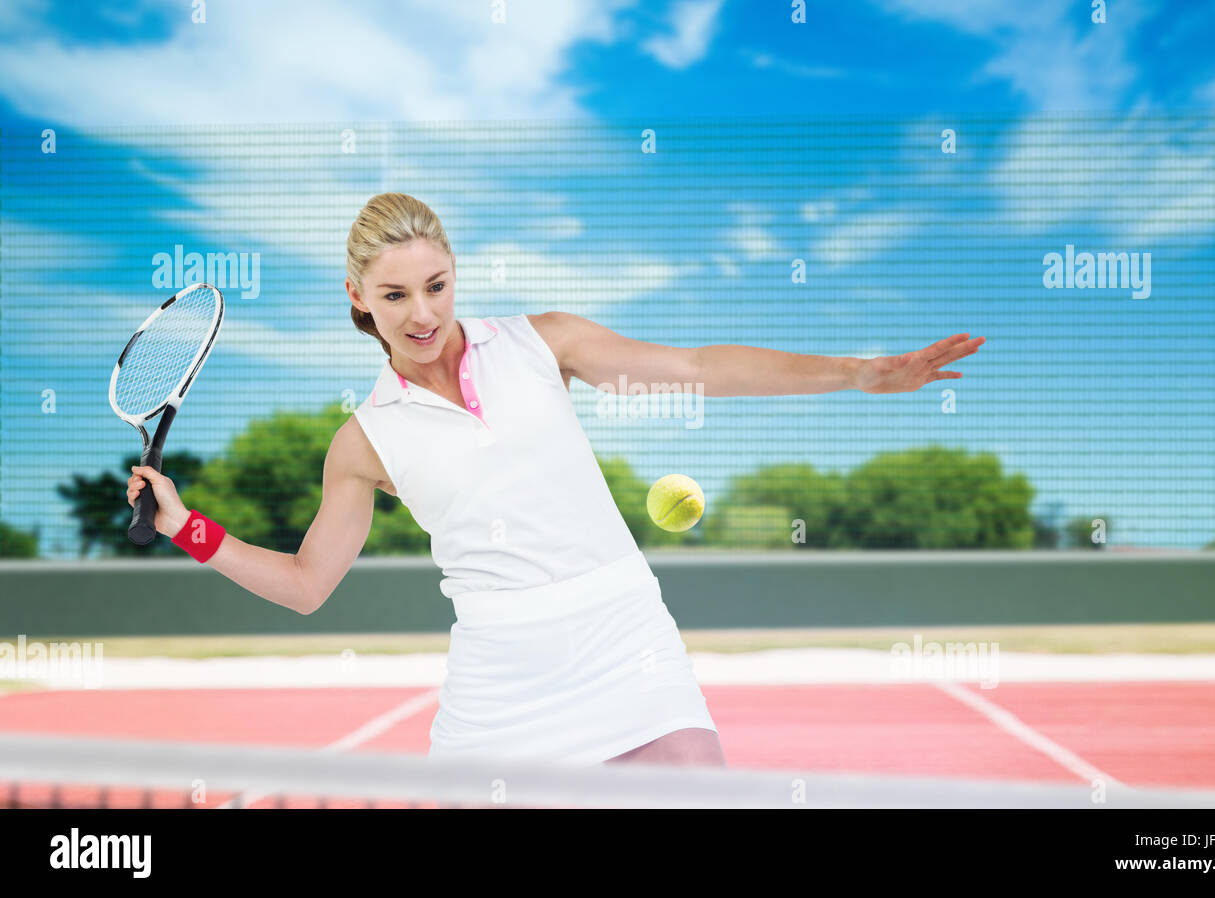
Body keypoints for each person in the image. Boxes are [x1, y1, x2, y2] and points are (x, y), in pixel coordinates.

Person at [126, 192, 984, 771]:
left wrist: (856, 372)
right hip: (501, 680)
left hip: (625, 637)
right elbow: (310, 585)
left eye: (437, 285)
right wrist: (186, 528)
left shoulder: (546, 343)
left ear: (455, 271)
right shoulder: (363, 442)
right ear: (360, 300)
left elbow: (695, 366)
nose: (423, 314)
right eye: (396, 296)